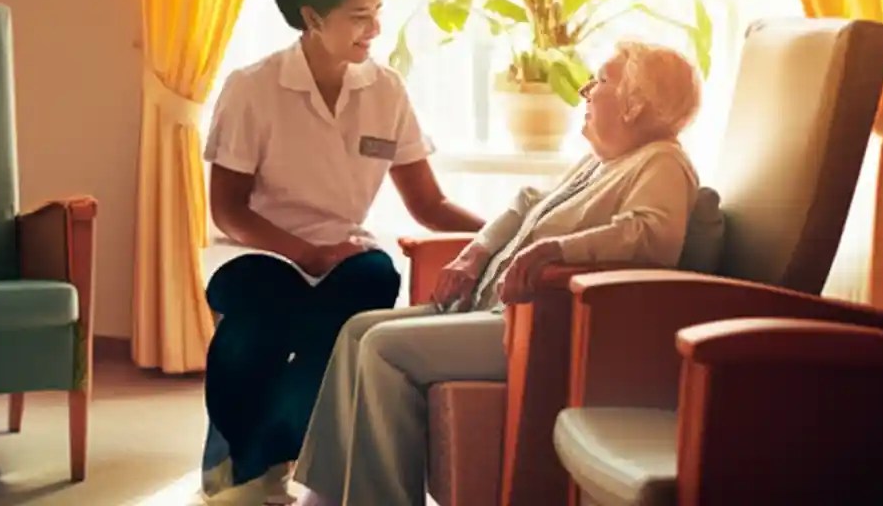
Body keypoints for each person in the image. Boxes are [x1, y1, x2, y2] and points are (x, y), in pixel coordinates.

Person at [293, 40, 705, 506]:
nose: (586, 91)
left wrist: (556, 248)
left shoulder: (662, 161)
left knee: (384, 348)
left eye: (602, 81)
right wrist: (476, 251)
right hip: (497, 309)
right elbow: (527, 202)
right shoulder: (602, 160)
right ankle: (323, 496)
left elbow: (651, 236)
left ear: (637, 102)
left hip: (545, 327)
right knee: (356, 330)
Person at [199, 0, 486, 505]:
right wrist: (309, 253)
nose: (375, 28)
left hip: (344, 256)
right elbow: (228, 209)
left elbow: (429, 205)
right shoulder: (252, 87)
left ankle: (249, 461)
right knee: (260, 320)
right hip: (259, 251)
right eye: (360, 17)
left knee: (373, 281)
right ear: (312, 18)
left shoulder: (385, 91)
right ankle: (260, 463)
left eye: (378, 12)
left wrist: (508, 233)